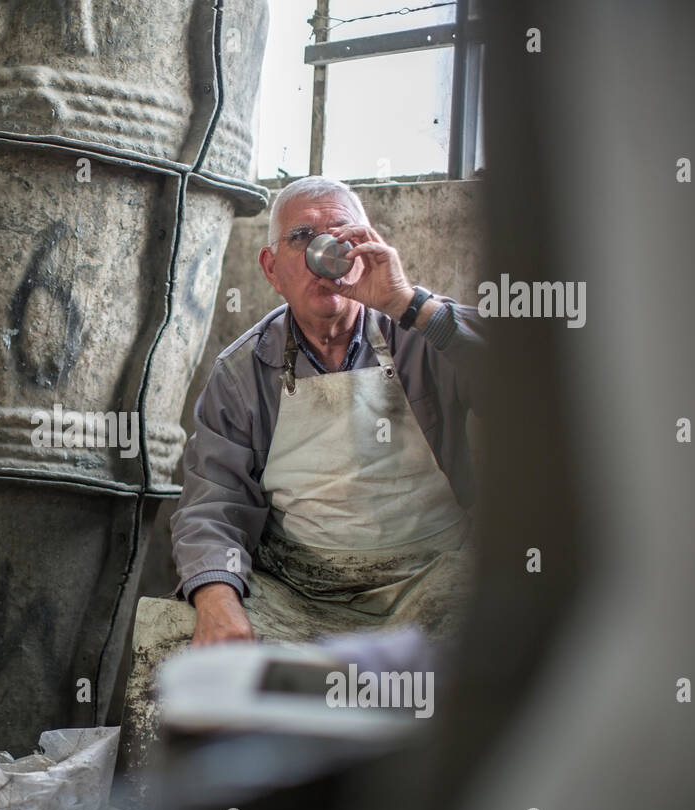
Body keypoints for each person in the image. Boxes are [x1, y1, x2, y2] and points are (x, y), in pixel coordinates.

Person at [170, 176, 487, 647]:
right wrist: (217, 595)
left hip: (433, 579)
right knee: (176, 645)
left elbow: (531, 389)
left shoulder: (421, 330)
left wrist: (409, 303)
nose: (326, 253)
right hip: (297, 591)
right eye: (302, 238)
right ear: (272, 268)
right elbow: (212, 502)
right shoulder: (242, 372)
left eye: (342, 237)